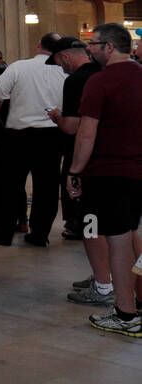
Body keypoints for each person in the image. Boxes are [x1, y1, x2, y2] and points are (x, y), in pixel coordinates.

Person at [67, 23, 142, 337]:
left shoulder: (99, 82)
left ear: (109, 47)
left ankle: (125, 312)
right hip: (138, 172)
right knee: (133, 232)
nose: (89, 49)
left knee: (116, 241)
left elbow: (86, 132)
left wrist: (75, 171)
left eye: (93, 44)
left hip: (107, 173)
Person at [46, 37, 110, 304]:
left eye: (59, 63)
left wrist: (57, 116)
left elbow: (73, 127)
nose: (60, 68)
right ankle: (105, 275)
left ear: (64, 57)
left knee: (91, 223)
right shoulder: (105, 74)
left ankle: (104, 285)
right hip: (113, 160)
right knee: (117, 227)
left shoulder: (75, 82)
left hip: (87, 163)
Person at [0, 32, 66, 247]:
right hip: (51, 134)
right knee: (47, 187)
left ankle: (3, 233)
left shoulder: (19, 67)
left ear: (38, 44)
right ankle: (39, 234)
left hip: (18, 135)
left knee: (10, 185)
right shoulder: (63, 72)